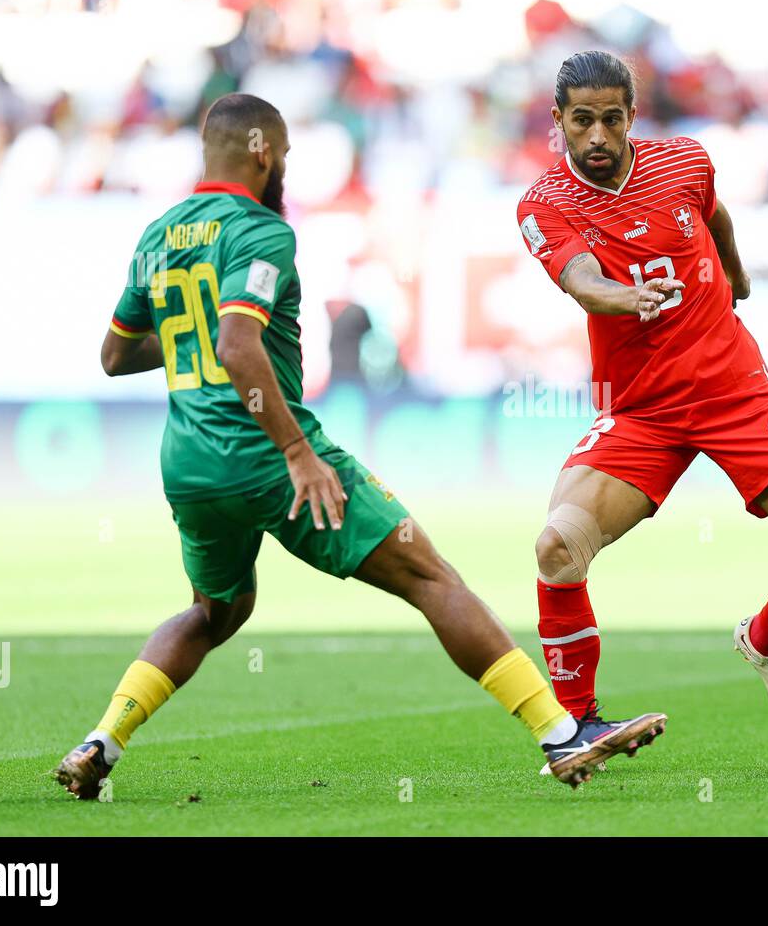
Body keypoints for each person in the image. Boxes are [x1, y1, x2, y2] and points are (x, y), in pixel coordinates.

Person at [54, 93, 665, 798]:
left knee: (213, 611)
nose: (282, 168)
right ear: (262, 153)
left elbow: (114, 355)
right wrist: (295, 453)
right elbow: (236, 343)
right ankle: (562, 735)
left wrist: (186, 338)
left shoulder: (158, 234)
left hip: (187, 460)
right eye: (282, 156)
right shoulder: (261, 229)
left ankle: (103, 740)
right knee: (432, 578)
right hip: (263, 452)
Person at [516, 52, 768, 733]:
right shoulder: (543, 205)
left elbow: (716, 216)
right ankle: (578, 729)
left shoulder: (685, 161)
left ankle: (766, 641)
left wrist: (735, 277)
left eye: (612, 120)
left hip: (736, 390)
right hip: (642, 409)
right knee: (558, 547)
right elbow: (581, 281)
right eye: (582, 121)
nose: (598, 138)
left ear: (632, 117)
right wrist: (627, 297)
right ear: (558, 122)